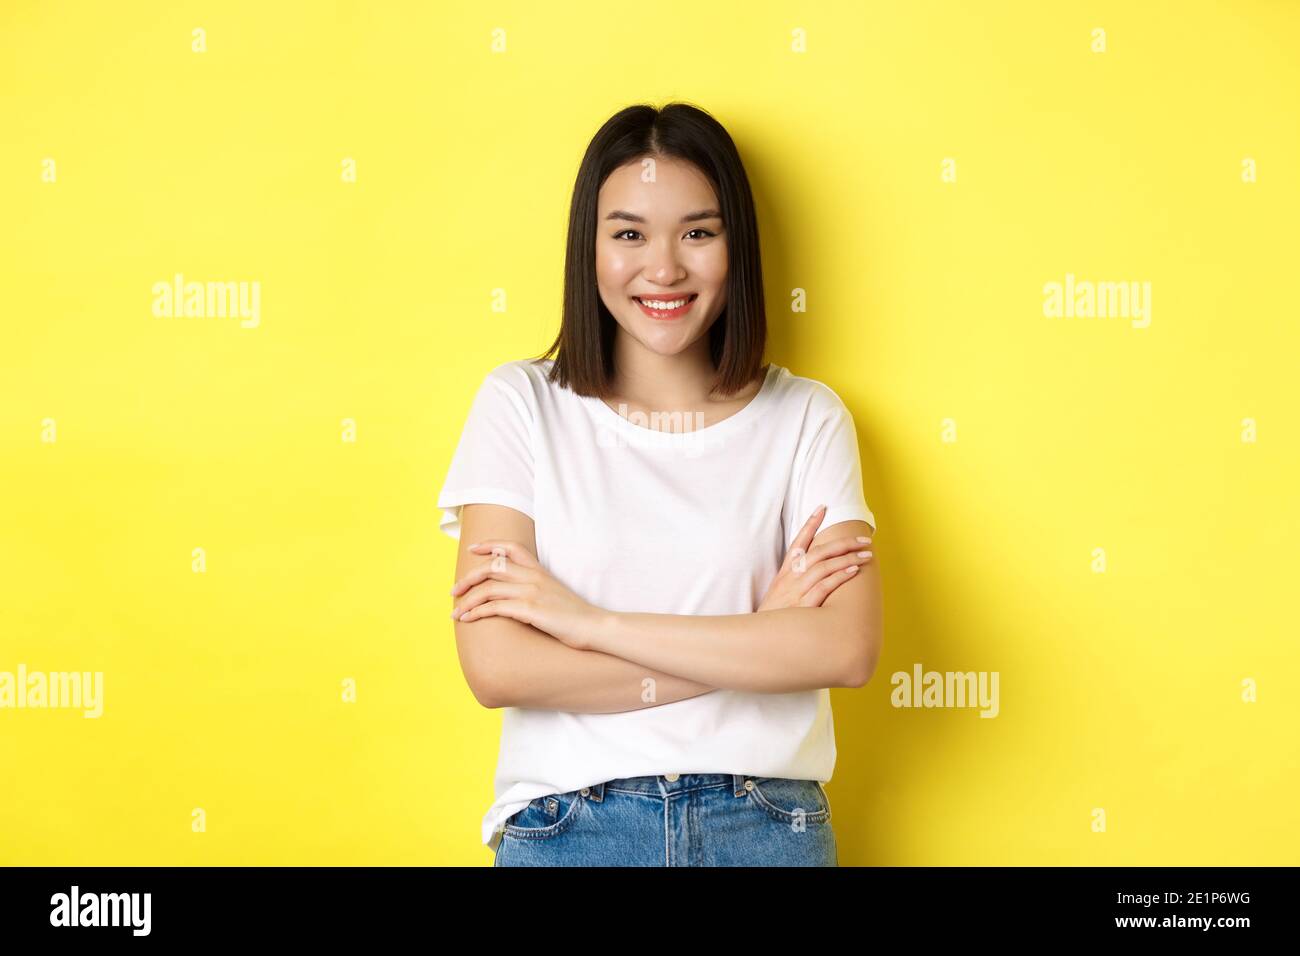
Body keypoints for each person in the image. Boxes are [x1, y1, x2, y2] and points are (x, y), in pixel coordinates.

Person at [437, 102, 882, 866]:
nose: (665, 268)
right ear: (591, 248)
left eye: (699, 232)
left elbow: (843, 648)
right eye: (630, 233)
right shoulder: (520, 404)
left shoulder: (807, 418)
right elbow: (499, 668)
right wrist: (755, 637)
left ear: (735, 247)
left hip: (766, 825)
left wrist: (587, 623)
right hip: (571, 829)